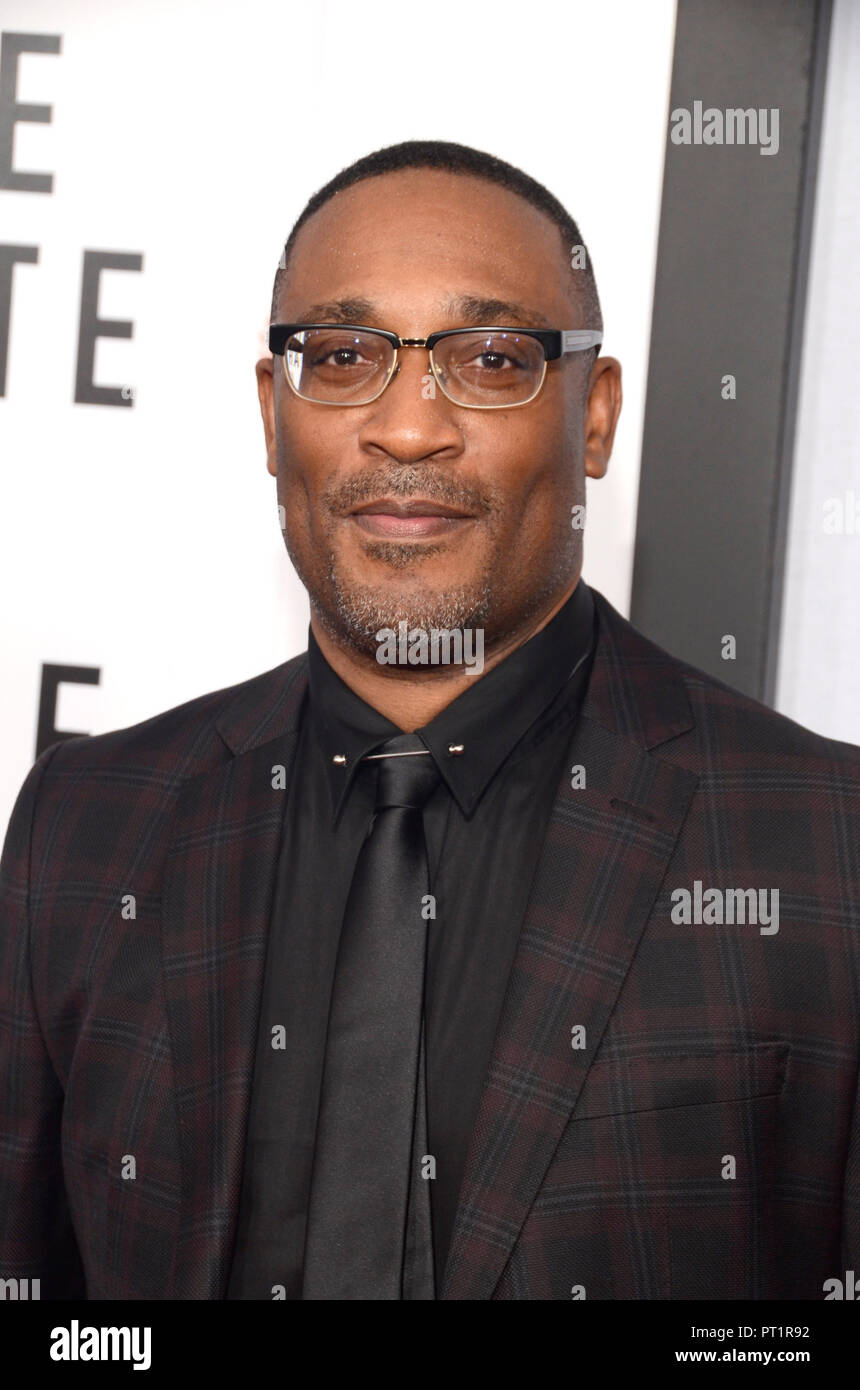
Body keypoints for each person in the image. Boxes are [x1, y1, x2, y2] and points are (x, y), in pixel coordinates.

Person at [1, 140, 857, 1302]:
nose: (408, 430)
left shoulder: (821, 843)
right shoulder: (87, 824)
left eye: (491, 359)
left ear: (593, 415)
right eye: (343, 356)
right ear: (272, 412)